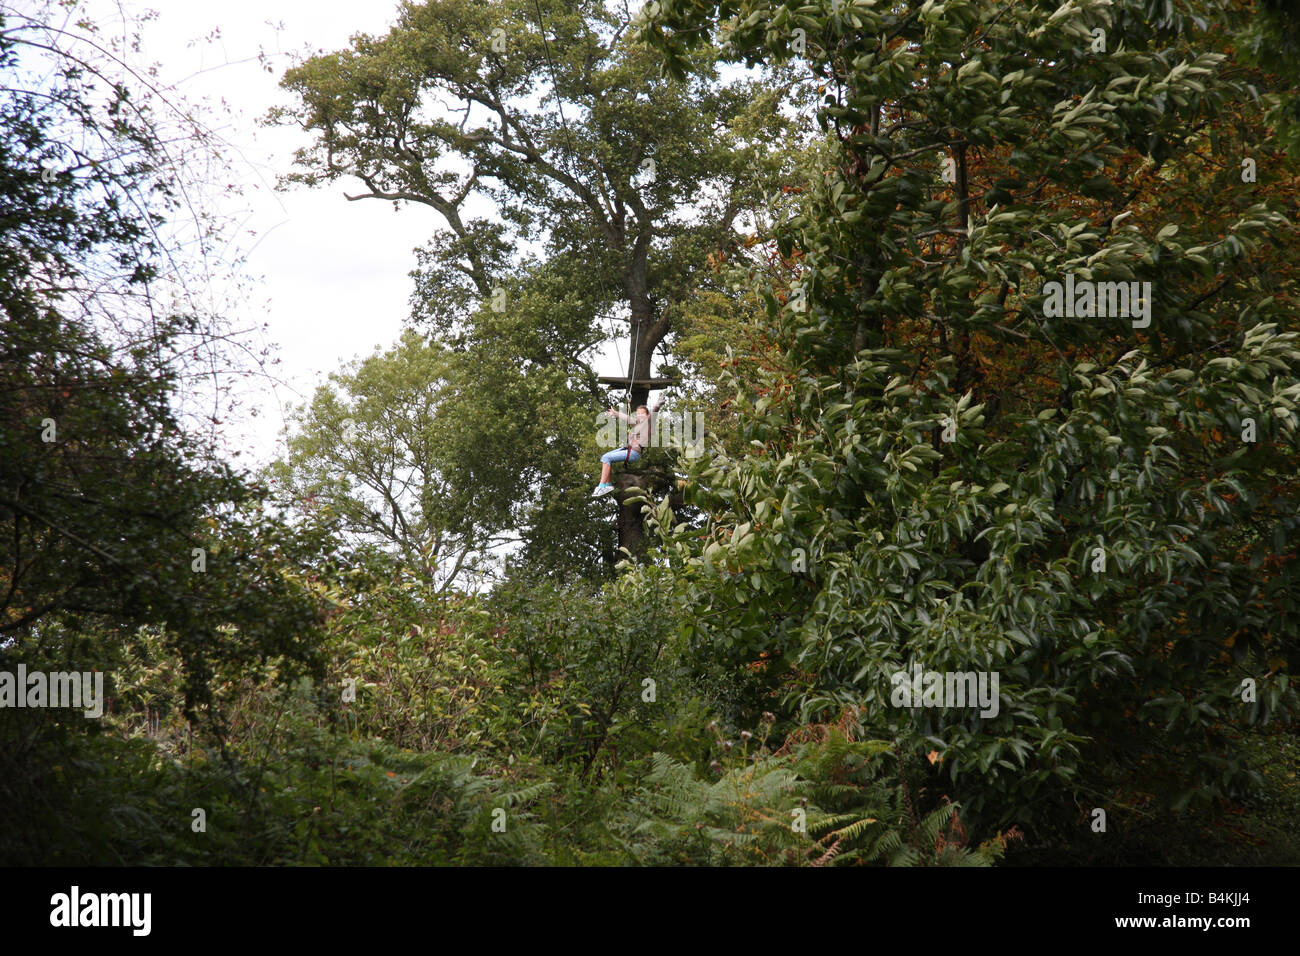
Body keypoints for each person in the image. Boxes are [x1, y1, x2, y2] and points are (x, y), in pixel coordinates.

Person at [592, 395, 665, 497]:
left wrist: (658, 405)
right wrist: (615, 413)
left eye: (642, 414)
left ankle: (602, 485)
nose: (639, 415)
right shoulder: (637, 424)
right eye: (638, 413)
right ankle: (607, 484)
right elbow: (627, 418)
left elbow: (653, 414)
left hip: (634, 453)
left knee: (606, 458)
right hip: (628, 449)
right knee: (605, 457)